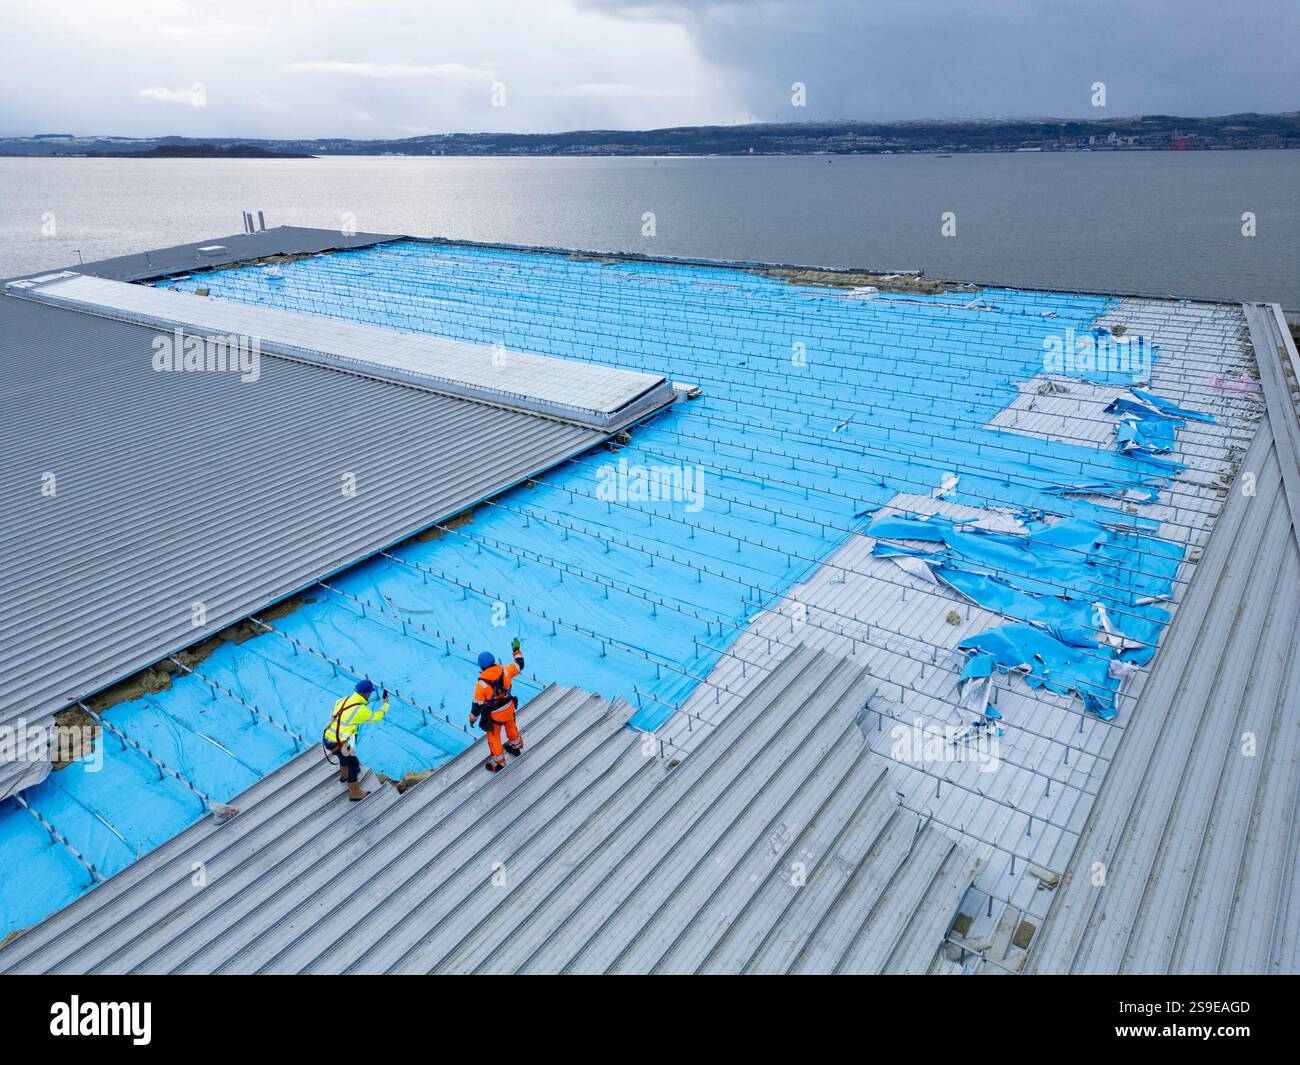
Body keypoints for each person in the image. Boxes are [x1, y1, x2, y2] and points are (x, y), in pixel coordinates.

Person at [324, 679, 389, 800]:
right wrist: (385, 704)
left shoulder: (342, 700)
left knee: (345, 756)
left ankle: (344, 775)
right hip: (339, 743)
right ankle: (354, 792)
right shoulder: (360, 710)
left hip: (328, 738)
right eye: (370, 692)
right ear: (365, 693)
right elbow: (377, 716)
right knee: (353, 764)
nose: (370, 695)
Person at [469, 638, 525, 773]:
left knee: (494, 737)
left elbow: (477, 706)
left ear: (481, 666)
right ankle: (515, 748)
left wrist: (472, 719)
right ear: (493, 661)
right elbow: (520, 664)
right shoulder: (505, 670)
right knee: (511, 727)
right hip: (509, 707)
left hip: (494, 716)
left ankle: (500, 763)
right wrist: (516, 649)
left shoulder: (481, 684)